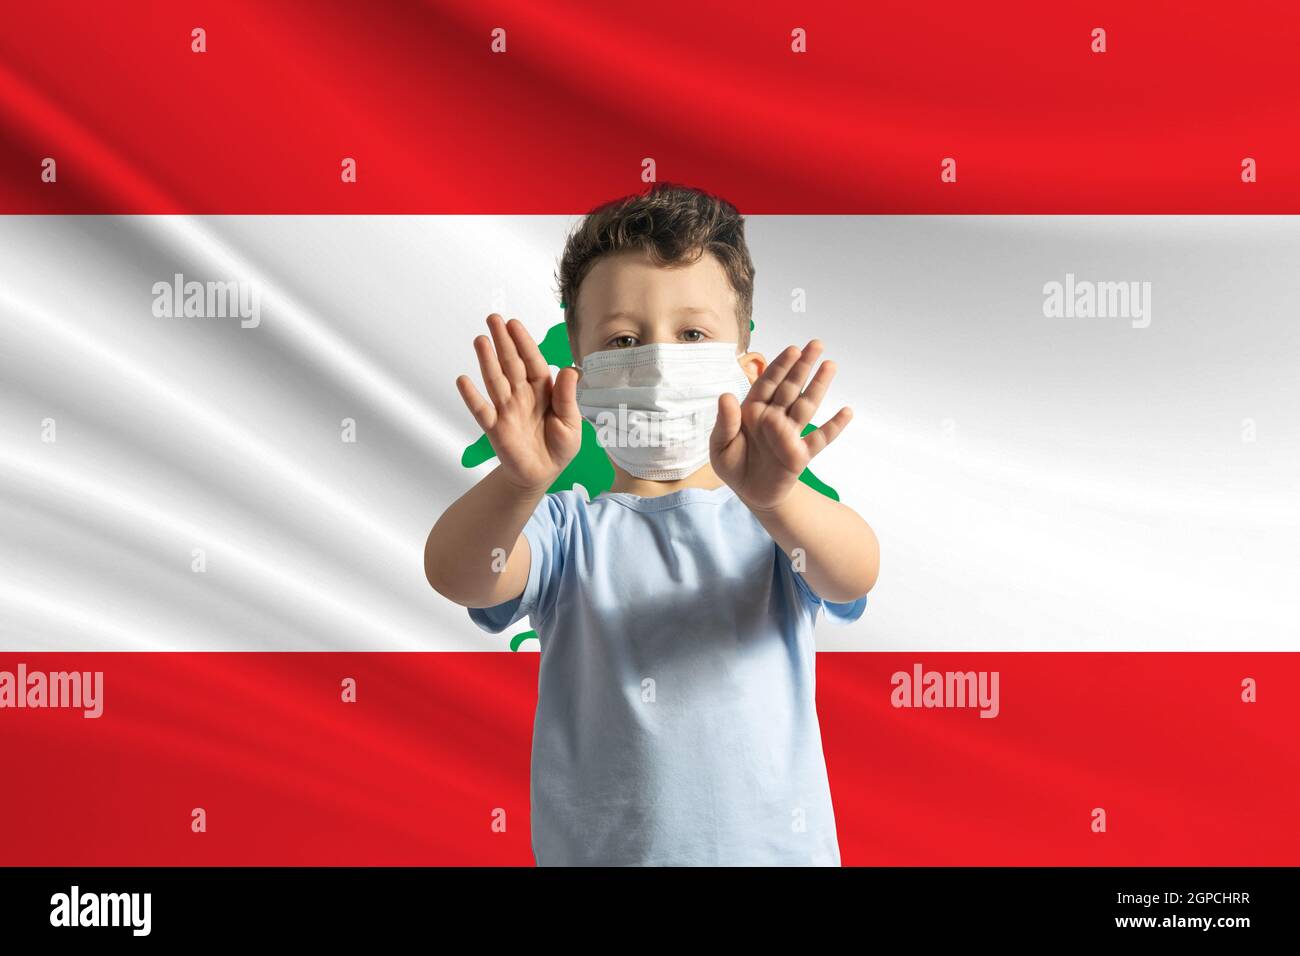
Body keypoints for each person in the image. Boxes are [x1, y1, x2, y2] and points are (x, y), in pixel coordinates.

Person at [424, 182, 880, 865]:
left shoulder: (775, 528)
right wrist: (520, 480)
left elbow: (853, 574)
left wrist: (777, 499)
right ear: (579, 379)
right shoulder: (565, 533)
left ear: (746, 370)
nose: (661, 360)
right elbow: (460, 574)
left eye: (692, 333)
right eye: (624, 339)